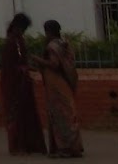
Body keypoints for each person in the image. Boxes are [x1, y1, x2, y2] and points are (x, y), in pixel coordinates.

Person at [34, 19, 84, 158]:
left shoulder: (52, 46)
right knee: (69, 114)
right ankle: (74, 147)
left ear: (49, 32)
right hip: (65, 83)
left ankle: (64, 148)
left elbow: (54, 64)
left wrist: (38, 60)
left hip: (56, 85)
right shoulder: (63, 44)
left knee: (60, 115)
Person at [0, 13, 46, 155]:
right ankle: (18, 146)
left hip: (23, 84)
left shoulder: (19, 41)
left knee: (28, 114)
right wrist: (24, 69)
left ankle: (30, 145)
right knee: (17, 115)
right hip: (15, 85)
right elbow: (9, 67)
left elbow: (21, 62)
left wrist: (29, 68)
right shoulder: (11, 42)